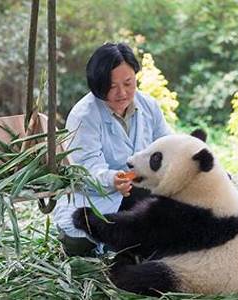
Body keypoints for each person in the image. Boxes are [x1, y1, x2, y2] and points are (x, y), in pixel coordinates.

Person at [53, 43, 171, 256]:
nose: (122, 93)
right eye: (112, 86)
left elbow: (169, 146)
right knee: (80, 243)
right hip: (94, 199)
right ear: (97, 85)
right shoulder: (84, 116)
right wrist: (112, 180)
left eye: (128, 83)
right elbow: (84, 169)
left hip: (139, 191)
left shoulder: (149, 106)